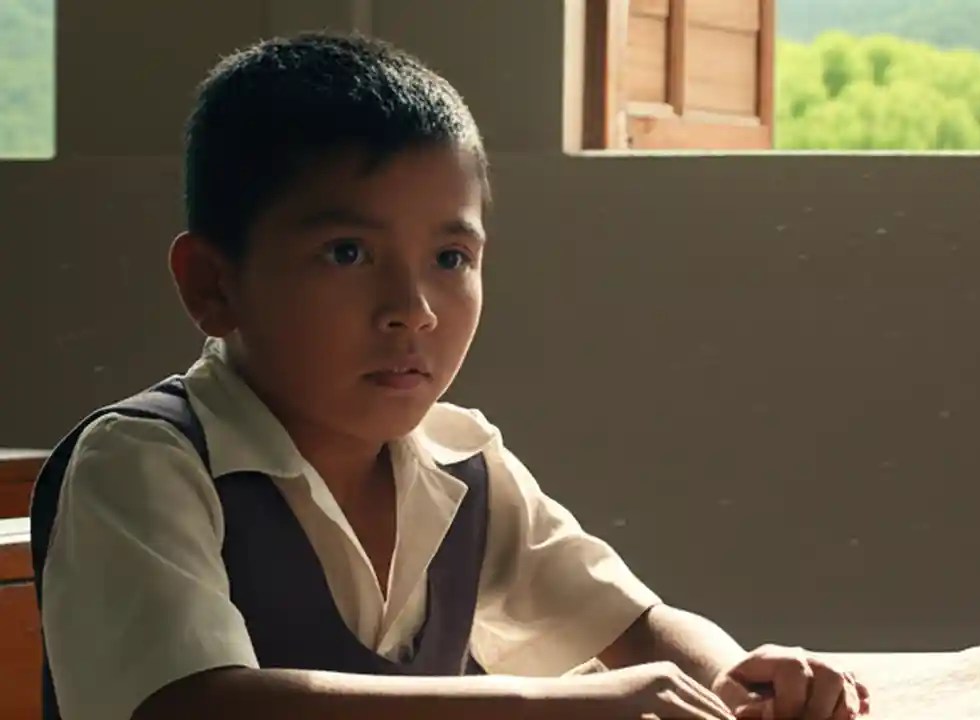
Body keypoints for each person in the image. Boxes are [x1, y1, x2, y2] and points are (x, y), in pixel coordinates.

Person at [30, 32, 870, 720]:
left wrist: (744, 681)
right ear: (214, 286)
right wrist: (546, 707)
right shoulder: (145, 465)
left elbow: (636, 625)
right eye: (347, 253)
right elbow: (194, 706)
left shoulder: (461, 463)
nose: (414, 308)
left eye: (450, 257)